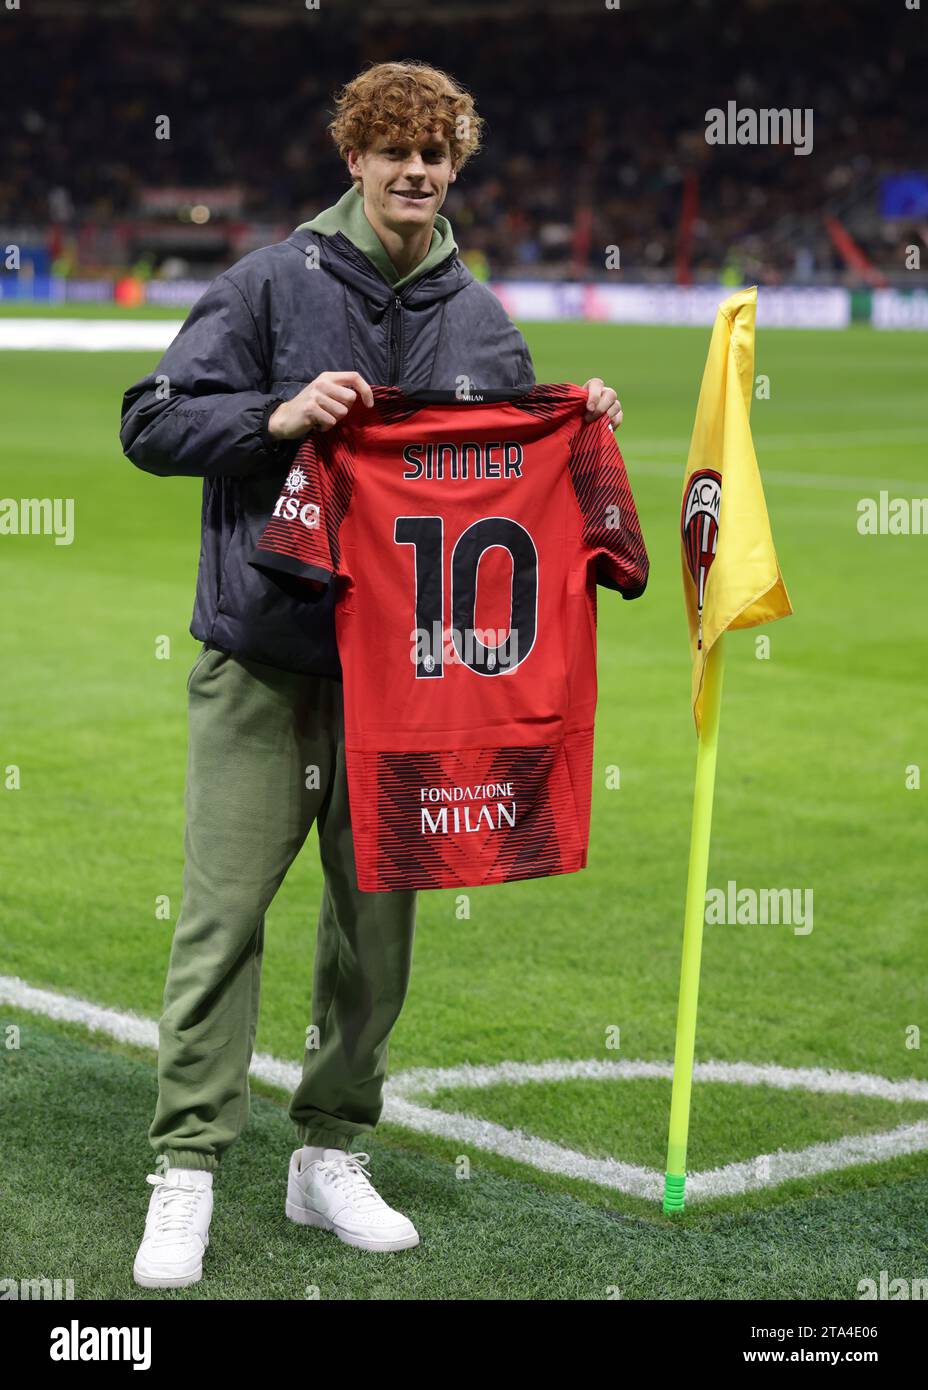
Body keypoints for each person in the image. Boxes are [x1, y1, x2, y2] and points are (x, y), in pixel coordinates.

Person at [120, 59, 623, 1289]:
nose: (414, 169)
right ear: (353, 158)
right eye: (391, 148)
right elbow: (149, 419)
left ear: (455, 167)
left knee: (376, 931)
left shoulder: (485, 321)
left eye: (434, 152)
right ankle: (186, 1164)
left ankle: (328, 1150)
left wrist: (580, 430)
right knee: (222, 918)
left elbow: (510, 483)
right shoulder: (269, 281)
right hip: (266, 662)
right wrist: (275, 417)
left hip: (411, 683)